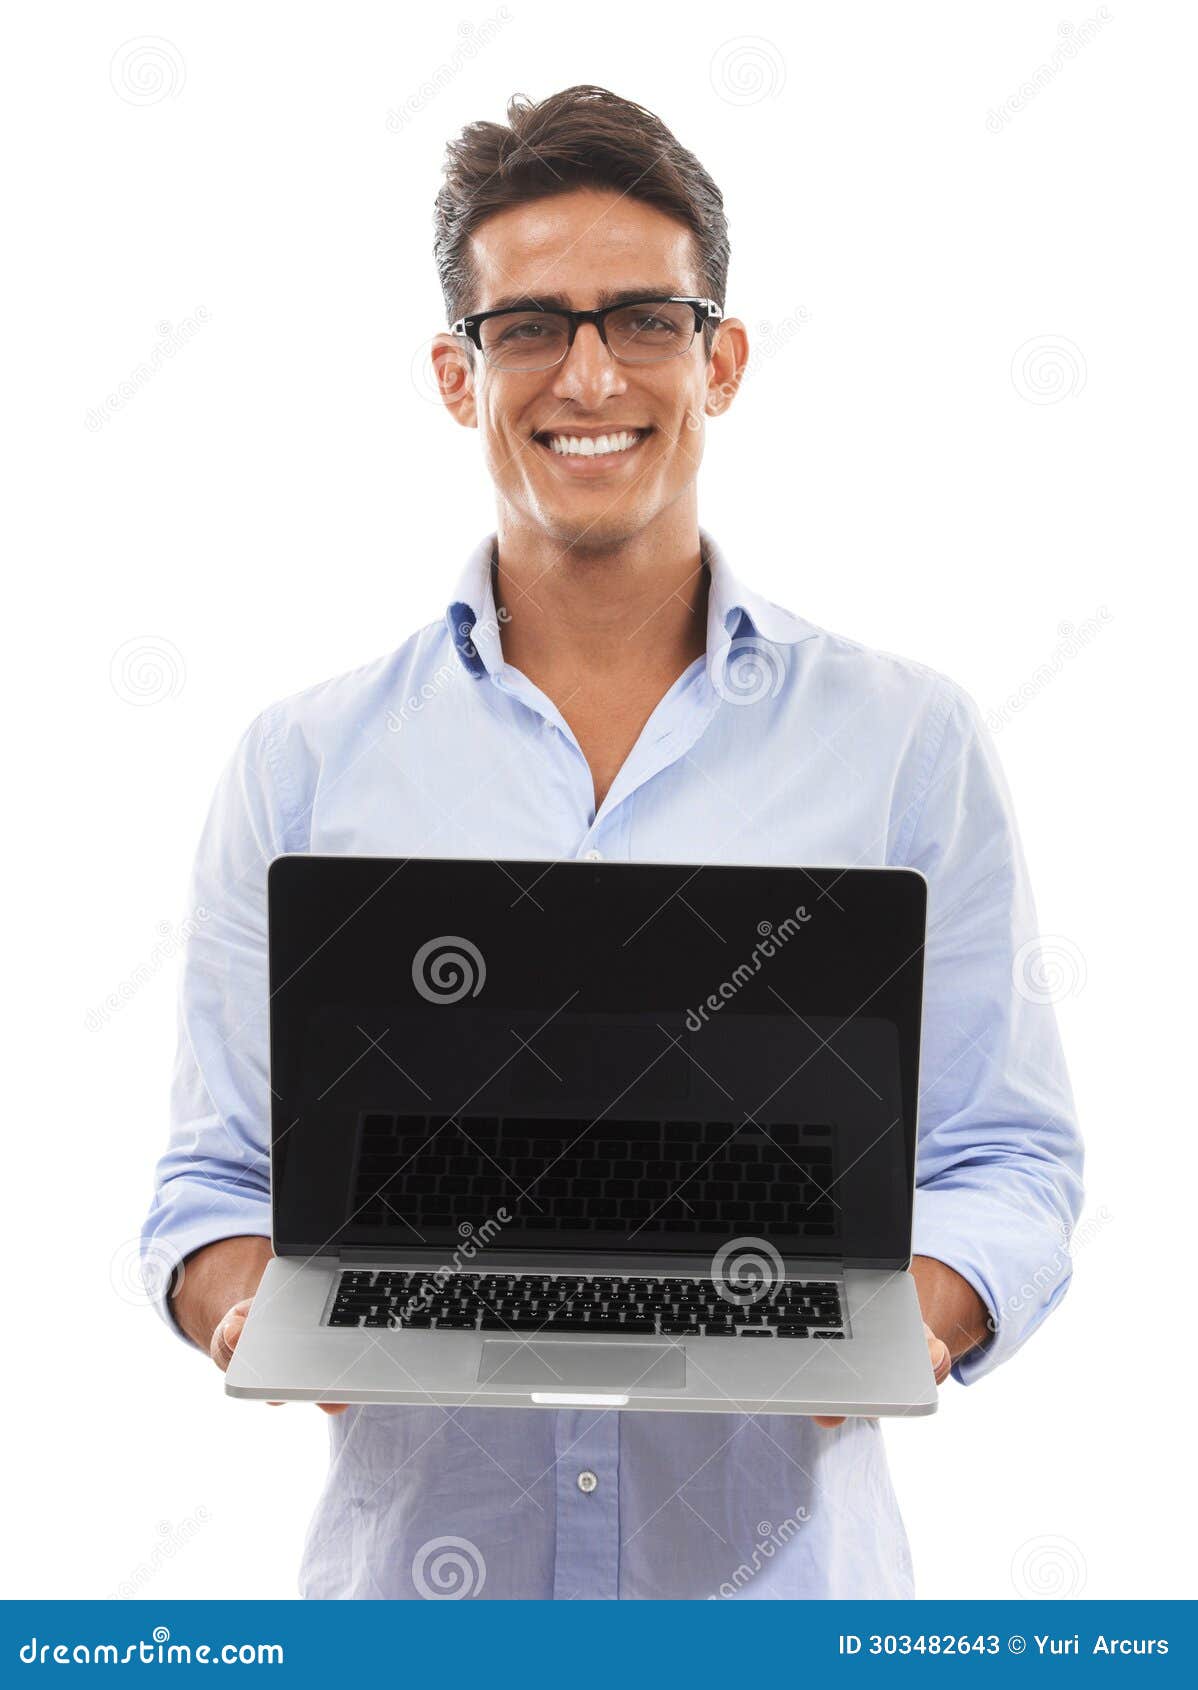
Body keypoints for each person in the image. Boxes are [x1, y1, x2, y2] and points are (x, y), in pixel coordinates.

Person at [141, 85, 1083, 1600]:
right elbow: (210, 1182)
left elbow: (1006, 1151)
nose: (589, 371)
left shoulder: (908, 738)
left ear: (719, 358)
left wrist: (912, 1313)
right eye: (529, 326)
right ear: (459, 375)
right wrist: (251, 1303)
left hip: (780, 1609)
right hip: (417, 1612)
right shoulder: (303, 761)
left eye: (642, 318)